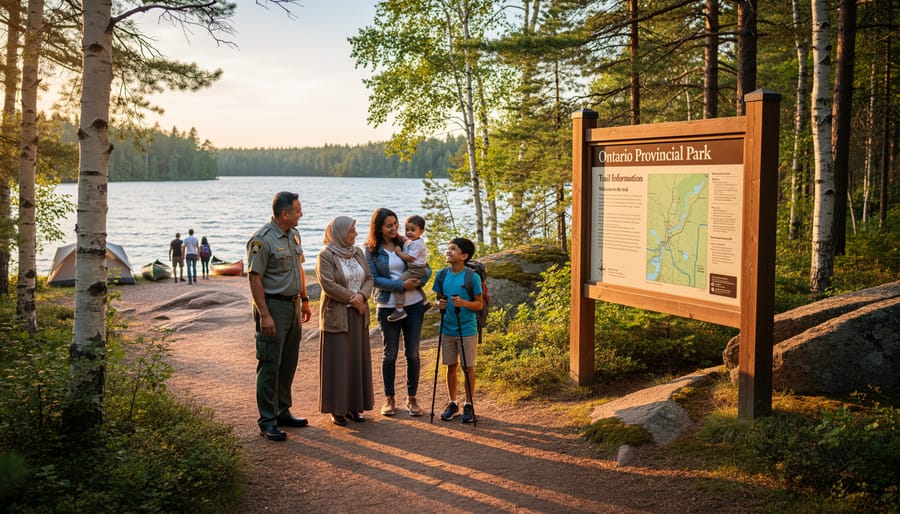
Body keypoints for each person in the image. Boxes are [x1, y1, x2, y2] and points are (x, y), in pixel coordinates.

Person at [247, 192, 312, 441]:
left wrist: (305, 300)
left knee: (288, 362)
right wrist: (264, 314)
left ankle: (282, 410)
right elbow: (255, 278)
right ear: (284, 214)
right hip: (272, 307)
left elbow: (299, 268)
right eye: (297, 210)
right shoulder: (262, 240)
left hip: (293, 306)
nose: (301, 214)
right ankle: (267, 420)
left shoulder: (293, 234)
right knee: (270, 363)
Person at [365, 208, 431, 418]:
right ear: (378, 228)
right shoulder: (371, 250)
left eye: (395, 224)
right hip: (387, 306)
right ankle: (389, 399)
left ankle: (412, 399)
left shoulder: (407, 242)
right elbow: (373, 278)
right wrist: (399, 286)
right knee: (390, 354)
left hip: (413, 306)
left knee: (412, 353)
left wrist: (420, 281)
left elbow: (425, 268)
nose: (394, 228)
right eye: (389, 225)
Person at [316, 216, 375, 427]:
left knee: (356, 361)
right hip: (338, 315)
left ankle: (355, 406)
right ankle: (337, 409)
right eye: (351, 231)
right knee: (338, 362)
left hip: (358, 314)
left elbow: (369, 278)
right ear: (340, 232)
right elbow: (328, 284)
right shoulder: (326, 255)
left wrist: (362, 298)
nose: (355, 234)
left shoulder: (357, 252)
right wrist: (353, 299)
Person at [433, 237, 483, 424]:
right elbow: (437, 300)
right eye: (448, 248)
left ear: (464, 256)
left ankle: (468, 404)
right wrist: (440, 304)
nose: (448, 251)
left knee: (467, 366)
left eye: (453, 249)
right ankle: (453, 403)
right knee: (451, 366)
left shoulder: (472, 277)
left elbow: (479, 305)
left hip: (467, 329)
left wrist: (464, 303)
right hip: (448, 328)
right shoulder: (442, 274)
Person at [387, 214, 432, 322]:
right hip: (417, 268)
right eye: (407, 230)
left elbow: (410, 258)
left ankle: (399, 310)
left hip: (415, 269)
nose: (409, 233)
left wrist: (398, 252)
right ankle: (425, 303)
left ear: (421, 231)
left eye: (413, 230)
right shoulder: (412, 241)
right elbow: (405, 241)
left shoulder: (417, 244)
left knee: (399, 285)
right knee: (415, 284)